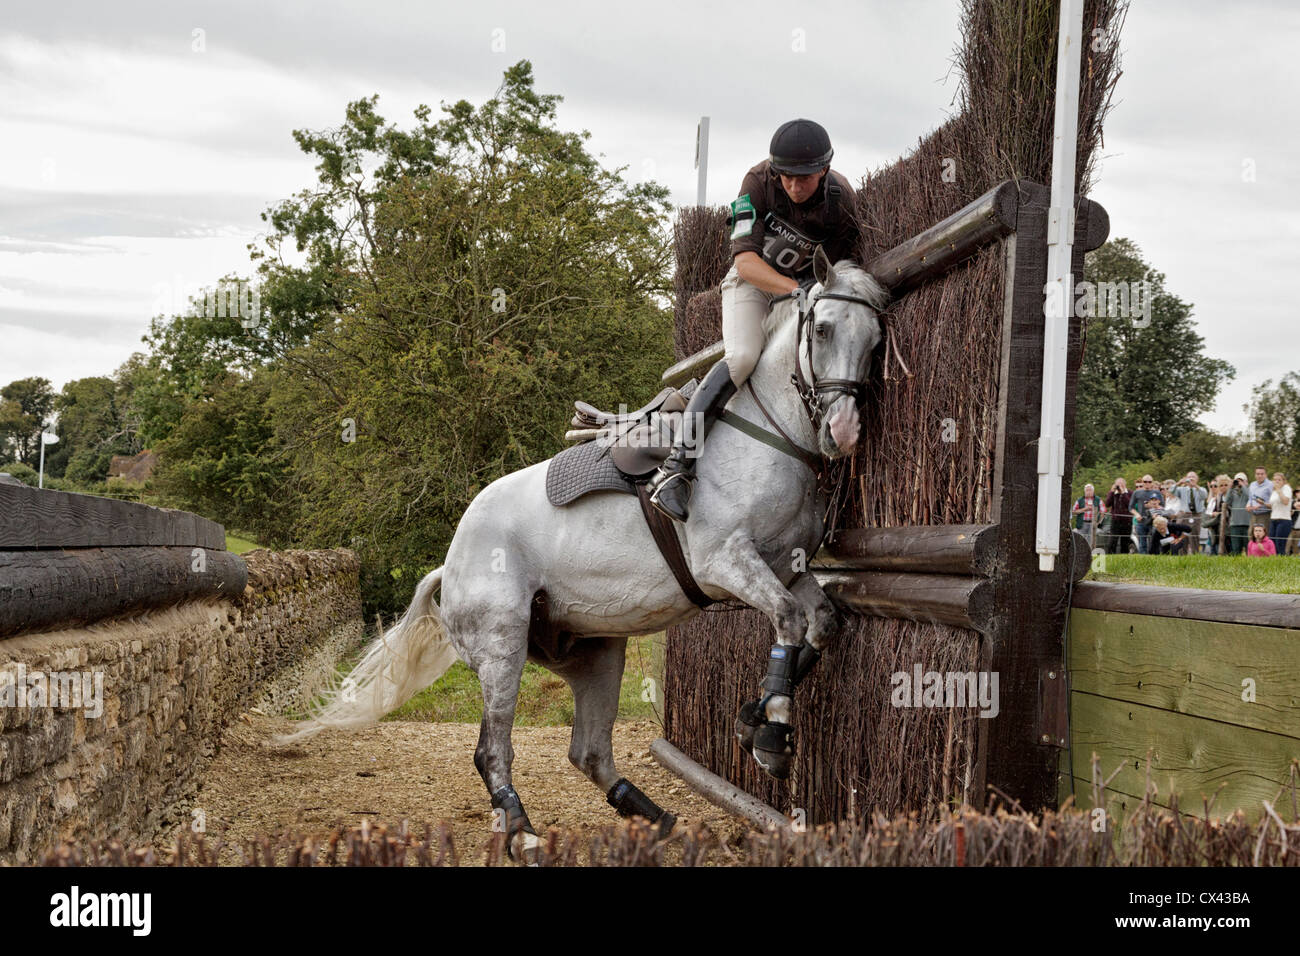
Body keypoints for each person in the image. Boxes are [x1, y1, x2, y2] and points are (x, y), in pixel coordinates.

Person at [648, 119, 862, 522]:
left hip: (803, 289)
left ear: (824, 170)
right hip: (753, 283)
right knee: (744, 357)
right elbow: (745, 263)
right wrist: (794, 290)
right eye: (786, 178)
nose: (794, 187)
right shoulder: (756, 181)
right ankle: (676, 469)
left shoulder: (842, 200)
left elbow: (837, 268)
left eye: (803, 178)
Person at [1129, 475, 1158, 554]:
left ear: (1152, 483)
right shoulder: (1136, 493)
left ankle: (1155, 558)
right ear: (1143, 482)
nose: (1147, 483)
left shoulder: (1156, 493)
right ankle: (1143, 559)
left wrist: (1155, 508)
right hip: (1141, 521)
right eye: (1145, 482)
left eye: (1149, 482)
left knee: (1154, 541)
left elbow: (1162, 506)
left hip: (1154, 520)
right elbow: (1130, 507)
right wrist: (1136, 514)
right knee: (1142, 542)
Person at [1224, 472, 1252, 555]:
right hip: (1235, 524)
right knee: (1236, 549)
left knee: (1248, 549)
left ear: (1246, 481)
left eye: (1241, 480)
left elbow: (1249, 496)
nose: (1239, 482)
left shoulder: (1249, 490)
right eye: (1237, 480)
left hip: (1247, 524)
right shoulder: (1233, 492)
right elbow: (1227, 501)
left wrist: (1243, 485)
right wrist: (1230, 488)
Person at [1267, 472, 1293, 554]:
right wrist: (1262, 504)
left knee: (1280, 543)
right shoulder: (1273, 491)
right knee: (1272, 542)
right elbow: (1273, 505)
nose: (1277, 482)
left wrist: (1279, 490)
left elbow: (1285, 501)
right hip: (1273, 518)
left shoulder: (1286, 488)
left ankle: (1282, 561)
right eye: (1275, 480)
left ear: (1283, 481)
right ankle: (1274, 561)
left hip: (1283, 520)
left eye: (1279, 480)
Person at [1072, 483, 1105, 548]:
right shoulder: (1080, 500)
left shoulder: (1098, 499)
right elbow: (1073, 512)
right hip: (1082, 523)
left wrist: (1098, 523)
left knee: (1091, 541)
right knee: (1081, 540)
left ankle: (1090, 554)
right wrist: (1085, 509)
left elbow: (1103, 512)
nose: (1088, 492)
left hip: (1093, 523)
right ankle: (1080, 554)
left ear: (1093, 491)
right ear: (1084, 491)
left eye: (1090, 490)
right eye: (1087, 490)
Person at [1104, 478, 1131, 554]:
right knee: (1113, 540)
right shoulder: (1113, 494)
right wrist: (1111, 492)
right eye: (1118, 484)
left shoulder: (1130, 493)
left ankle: (1124, 557)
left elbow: (1129, 504)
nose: (1119, 486)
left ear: (1125, 485)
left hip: (1127, 521)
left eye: (1121, 484)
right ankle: (1110, 555)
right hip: (1115, 520)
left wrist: (1123, 493)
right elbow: (1107, 504)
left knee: (1125, 541)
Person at [1247, 466, 1273, 538]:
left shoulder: (1270, 485)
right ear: (1255, 475)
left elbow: (1273, 500)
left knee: (1263, 536)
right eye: (1258, 474)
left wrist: (1262, 505)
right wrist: (1248, 505)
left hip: (1264, 515)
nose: (1260, 476)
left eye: (1262, 474)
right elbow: (1250, 498)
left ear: (1266, 475)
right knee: (1251, 534)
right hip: (1253, 515)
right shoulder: (1252, 484)